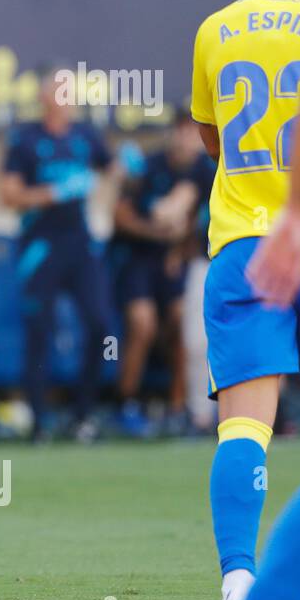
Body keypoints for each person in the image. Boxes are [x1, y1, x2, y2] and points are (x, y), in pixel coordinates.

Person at [186, 0, 300, 600]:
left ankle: (239, 581)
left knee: (245, 426)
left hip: (246, 245)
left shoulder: (219, 27)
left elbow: (214, 140)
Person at [0, 70, 114, 441]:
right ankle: (38, 419)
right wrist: (55, 192)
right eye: (60, 91)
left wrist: (118, 182)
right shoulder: (25, 140)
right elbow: (10, 196)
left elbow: (112, 171)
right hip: (40, 247)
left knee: (99, 323)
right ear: (45, 96)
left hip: (80, 245)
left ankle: (83, 415)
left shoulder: (85, 137)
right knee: (39, 331)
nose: (67, 98)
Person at [109, 110, 213, 436]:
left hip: (174, 264)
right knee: (143, 324)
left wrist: (176, 249)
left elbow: (195, 223)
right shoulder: (147, 166)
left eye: (193, 132)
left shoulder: (203, 171)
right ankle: (126, 403)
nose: (187, 138)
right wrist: (158, 233)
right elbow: (121, 217)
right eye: (182, 131)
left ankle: (177, 408)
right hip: (137, 259)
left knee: (183, 324)